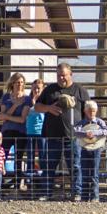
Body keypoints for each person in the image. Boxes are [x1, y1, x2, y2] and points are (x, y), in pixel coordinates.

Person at [36, 63, 89, 201]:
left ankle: (77, 193)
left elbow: (88, 111)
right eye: (59, 75)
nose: (61, 78)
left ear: (70, 74)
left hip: (73, 136)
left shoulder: (80, 91)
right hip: (52, 135)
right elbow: (37, 106)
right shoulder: (50, 90)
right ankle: (46, 193)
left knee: (75, 166)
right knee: (49, 166)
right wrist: (48, 108)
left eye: (64, 75)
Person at [0, 72, 32, 192]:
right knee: (2, 157)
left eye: (22, 82)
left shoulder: (27, 99)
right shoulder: (6, 97)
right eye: (18, 82)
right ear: (13, 83)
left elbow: (22, 119)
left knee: (19, 158)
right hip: (7, 131)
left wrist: (8, 115)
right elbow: (1, 117)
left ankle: (18, 185)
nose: (20, 85)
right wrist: (15, 105)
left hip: (21, 132)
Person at [75, 99, 107, 202]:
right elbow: (76, 131)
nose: (92, 113)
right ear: (85, 111)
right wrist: (86, 134)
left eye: (93, 111)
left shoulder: (99, 122)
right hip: (84, 148)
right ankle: (85, 197)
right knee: (85, 172)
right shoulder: (81, 123)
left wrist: (93, 132)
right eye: (89, 110)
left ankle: (95, 196)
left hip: (96, 148)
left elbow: (106, 131)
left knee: (94, 172)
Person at [25, 78, 46, 191]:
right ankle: (29, 181)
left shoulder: (45, 100)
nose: (36, 90)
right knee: (30, 157)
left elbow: (43, 113)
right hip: (30, 131)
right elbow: (26, 113)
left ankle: (42, 181)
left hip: (42, 131)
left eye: (38, 88)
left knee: (42, 156)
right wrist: (33, 103)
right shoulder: (28, 100)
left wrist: (36, 104)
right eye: (34, 88)